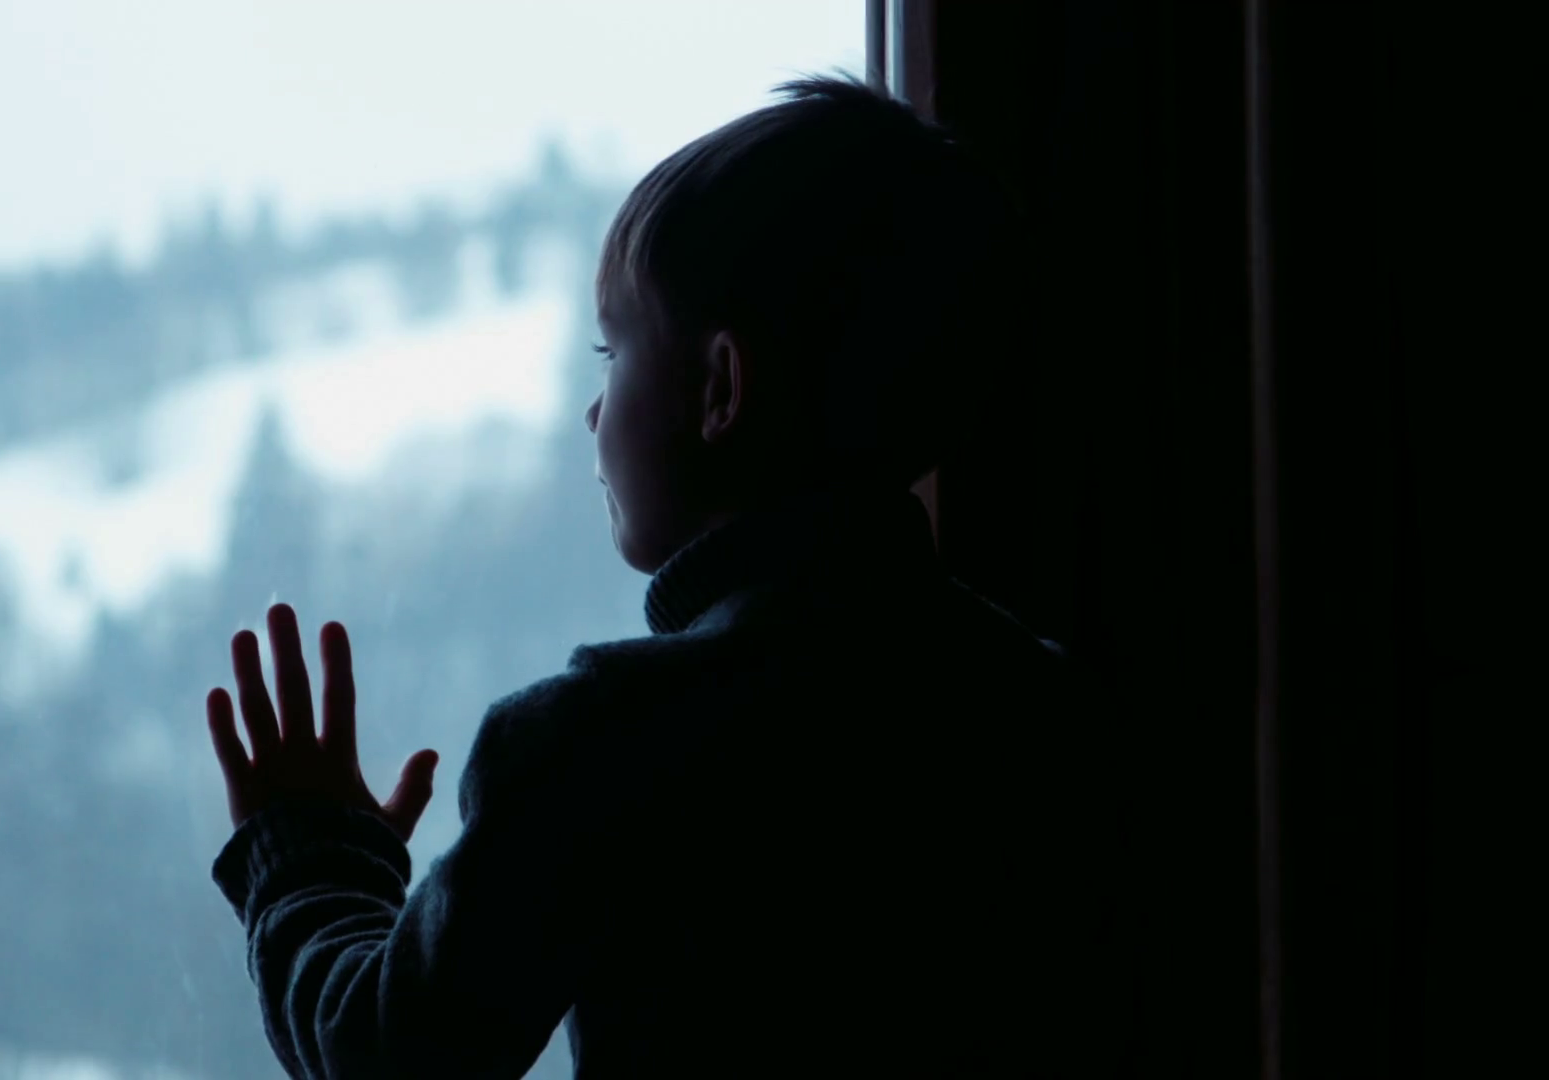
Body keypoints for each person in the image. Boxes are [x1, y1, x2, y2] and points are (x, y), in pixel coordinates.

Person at [205, 73, 1125, 1078]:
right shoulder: (1048, 712)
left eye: (613, 352)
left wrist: (309, 857)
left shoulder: (602, 747)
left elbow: (389, 1056)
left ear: (721, 389)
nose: (592, 415)